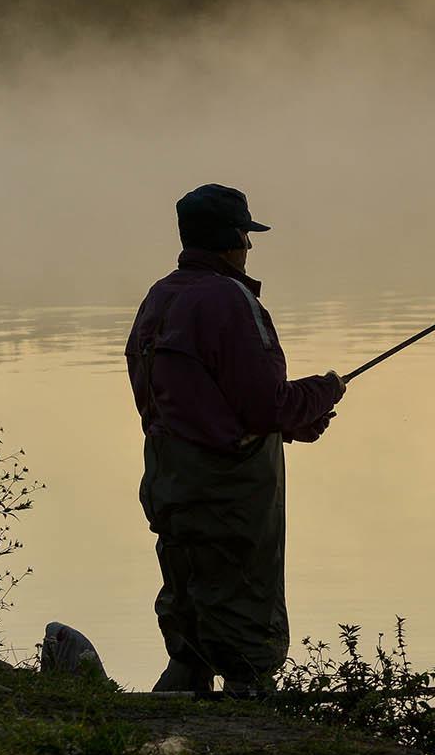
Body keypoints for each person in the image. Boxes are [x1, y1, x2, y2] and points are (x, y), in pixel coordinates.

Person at [125, 184, 347, 694]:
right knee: (246, 628)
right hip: (228, 494)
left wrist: (293, 425)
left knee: (190, 619)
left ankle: (168, 721)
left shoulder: (160, 296)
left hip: (168, 478)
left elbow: (192, 399)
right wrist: (324, 390)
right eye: (247, 237)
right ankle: (256, 720)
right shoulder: (230, 301)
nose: (249, 249)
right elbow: (265, 403)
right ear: (231, 240)